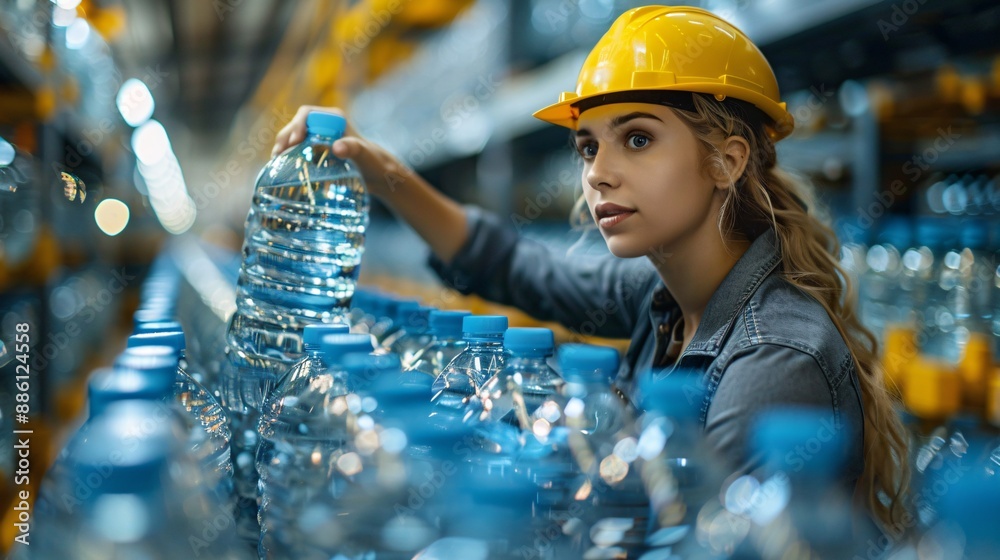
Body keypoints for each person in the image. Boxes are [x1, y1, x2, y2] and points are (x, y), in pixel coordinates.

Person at [271, 5, 908, 534]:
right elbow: (512, 265)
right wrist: (383, 173)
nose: (598, 172)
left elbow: (695, 538)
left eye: (636, 138)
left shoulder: (775, 360)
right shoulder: (661, 297)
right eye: (588, 146)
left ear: (727, 161)